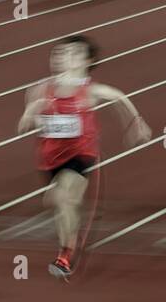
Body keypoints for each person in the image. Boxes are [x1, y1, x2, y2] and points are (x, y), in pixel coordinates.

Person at [17, 35, 151, 279]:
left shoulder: (90, 90)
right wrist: (28, 117)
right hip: (49, 156)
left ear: (87, 61)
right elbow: (32, 111)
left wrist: (136, 123)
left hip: (80, 153)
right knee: (63, 204)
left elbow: (118, 97)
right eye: (60, 53)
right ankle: (69, 238)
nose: (63, 57)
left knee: (64, 197)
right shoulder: (39, 89)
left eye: (73, 53)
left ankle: (65, 255)